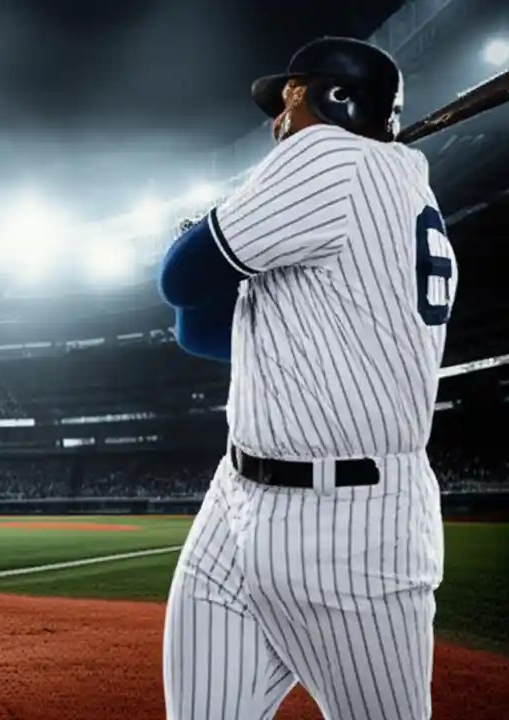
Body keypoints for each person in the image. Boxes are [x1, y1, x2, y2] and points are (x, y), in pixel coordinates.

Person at [158, 37, 456, 719]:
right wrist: (201, 247)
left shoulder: (330, 159)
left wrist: (194, 233)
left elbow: (179, 275)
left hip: (352, 529)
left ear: (329, 98)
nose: (276, 123)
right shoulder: (393, 184)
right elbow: (201, 333)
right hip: (235, 508)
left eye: (287, 99)